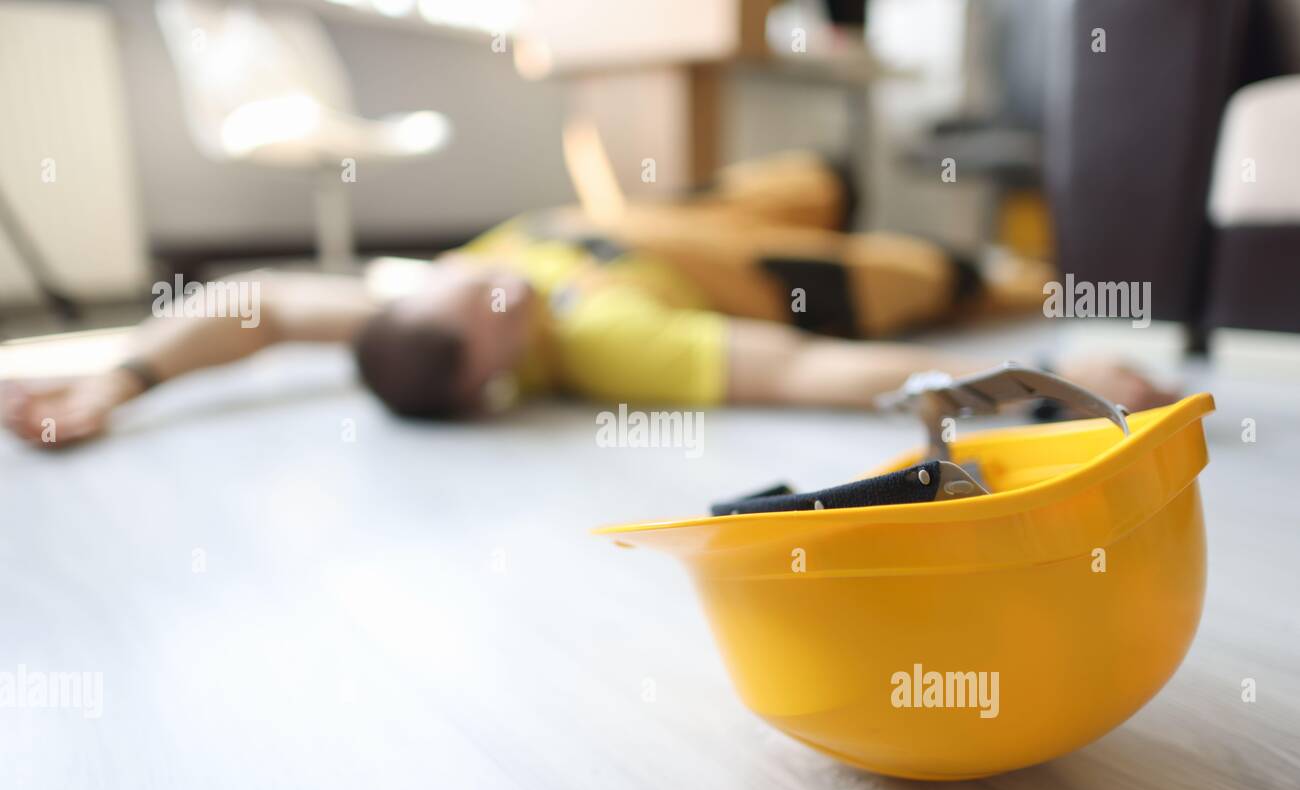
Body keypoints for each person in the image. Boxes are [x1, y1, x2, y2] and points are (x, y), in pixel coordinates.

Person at [1, 152, 1173, 446]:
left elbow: (252, 305)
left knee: (819, 170)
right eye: (495, 319)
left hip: (698, 208)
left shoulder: (419, 303)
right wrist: (1027, 388)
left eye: (475, 285)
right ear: (499, 381)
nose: (502, 285)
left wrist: (120, 374)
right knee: (952, 275)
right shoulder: (608, 347)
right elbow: (798, 372)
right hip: (795, 282)